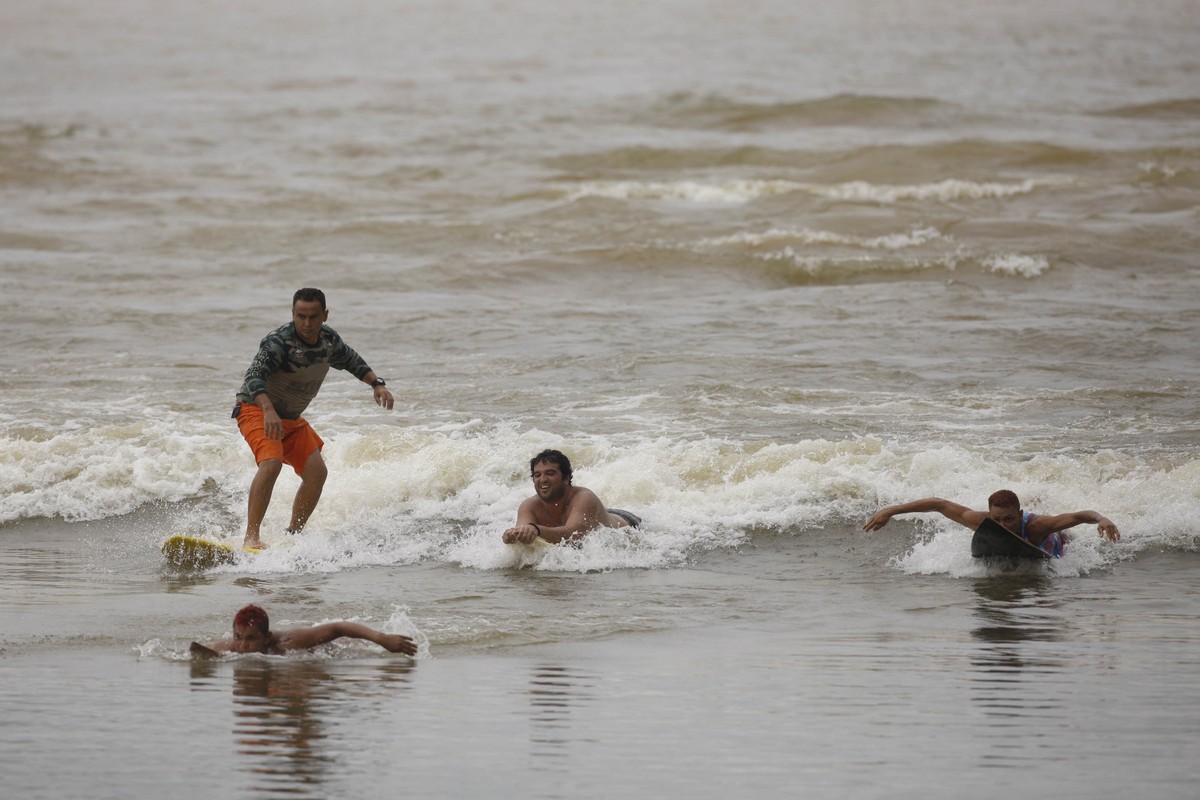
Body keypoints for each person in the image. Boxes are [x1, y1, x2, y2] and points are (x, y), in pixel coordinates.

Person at [234, 288, 394, 549]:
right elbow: (253, 378)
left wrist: (377, 384)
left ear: (325, 316)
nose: (306, 324)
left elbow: (353, 361)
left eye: (313, 317)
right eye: (300, 316)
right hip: (256, 409)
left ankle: (292, 536)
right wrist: (269, 410)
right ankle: (251, 537)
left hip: (291, 419)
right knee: (271, 463)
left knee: (317, 473)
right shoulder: (278, 341)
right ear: (293, 314)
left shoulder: (328, 341)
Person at [862, 489, 1120, 557]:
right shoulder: (981, 521)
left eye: (1009, 519)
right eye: (996, 519)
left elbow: (1078, 516)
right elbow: (939, 504)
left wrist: (1101, 518)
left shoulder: (1037, 525)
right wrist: (892, 510)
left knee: (1066, 539)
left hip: (1052, 544)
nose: (1002, 525)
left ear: (1019, 514)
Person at [503, 449, 641, 545]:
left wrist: (536, 530)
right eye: (537, 475)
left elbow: (574, 536)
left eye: (550, 473)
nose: (542, 479)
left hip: (628, 523)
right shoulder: (529, 505)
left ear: (566, 478)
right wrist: (513, 536)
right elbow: (524, 532)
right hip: (590, 514)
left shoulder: (584, 497)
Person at [190, 604, 417, 657]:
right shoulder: (231, 647)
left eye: (250, 639)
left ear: (266, 638)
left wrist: (382, 639)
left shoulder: (290, 641)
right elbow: (202, 653)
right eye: (238, 637)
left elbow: (339, 627)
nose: (242, 646)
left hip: (322, 649)